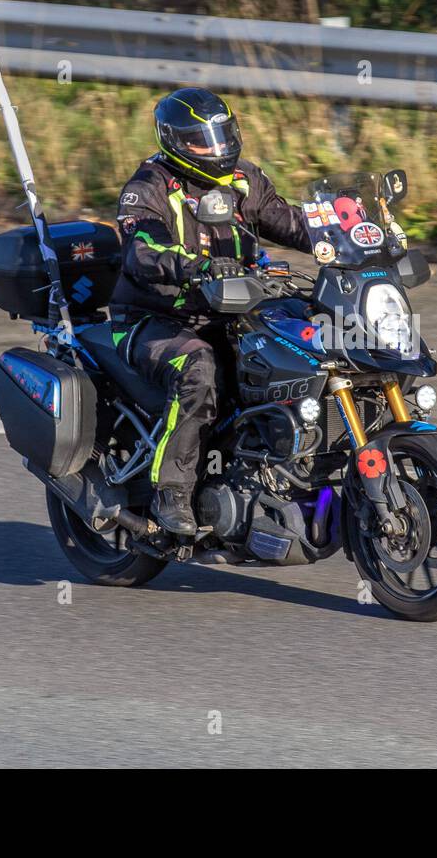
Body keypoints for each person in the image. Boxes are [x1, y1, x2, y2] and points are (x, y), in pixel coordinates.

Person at [108, 86, 312, 535]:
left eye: (221, 135)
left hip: (233, 309)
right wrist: (194, 266)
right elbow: (142, 248)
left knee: (308, 337)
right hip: (154, 319)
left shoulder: (243, 179)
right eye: (202, 140)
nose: (216, 149)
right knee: (198, 367)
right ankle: (171, 492)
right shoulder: (149, 186)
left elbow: (290, 221)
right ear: (174, 141)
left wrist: (347, 230)